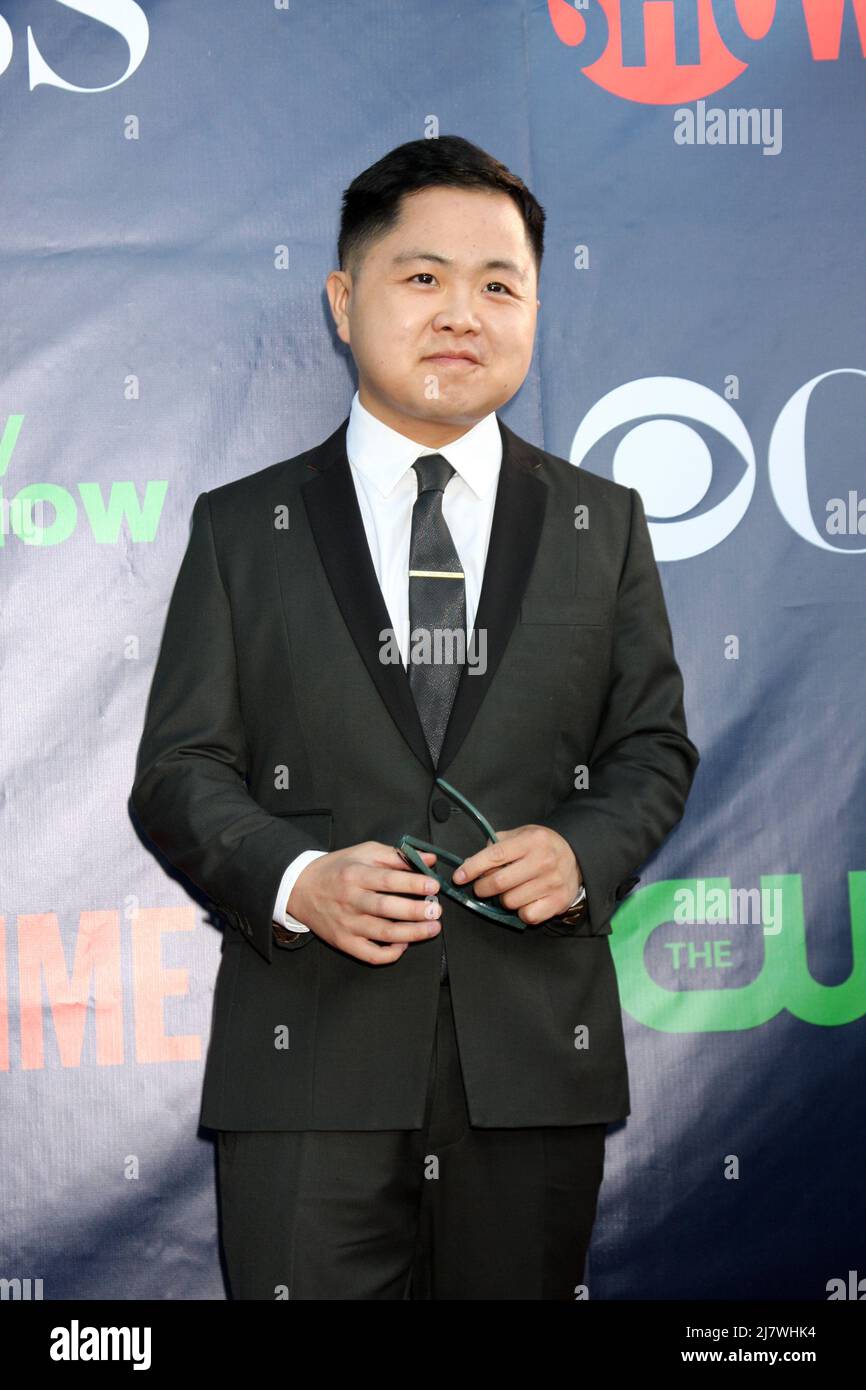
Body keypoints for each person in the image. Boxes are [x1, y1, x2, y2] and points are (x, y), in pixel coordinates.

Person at [130, 134, 699, 1300]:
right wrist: (297, 880)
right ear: (345, 300)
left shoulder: (605, 523)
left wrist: (582, 850)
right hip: (306, 1065)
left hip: (532, 1065)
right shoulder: (245, 529)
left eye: (499, 285)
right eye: (422, 276)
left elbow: (650, 747)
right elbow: (180, 768)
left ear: (534, 309)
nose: (461, 312)